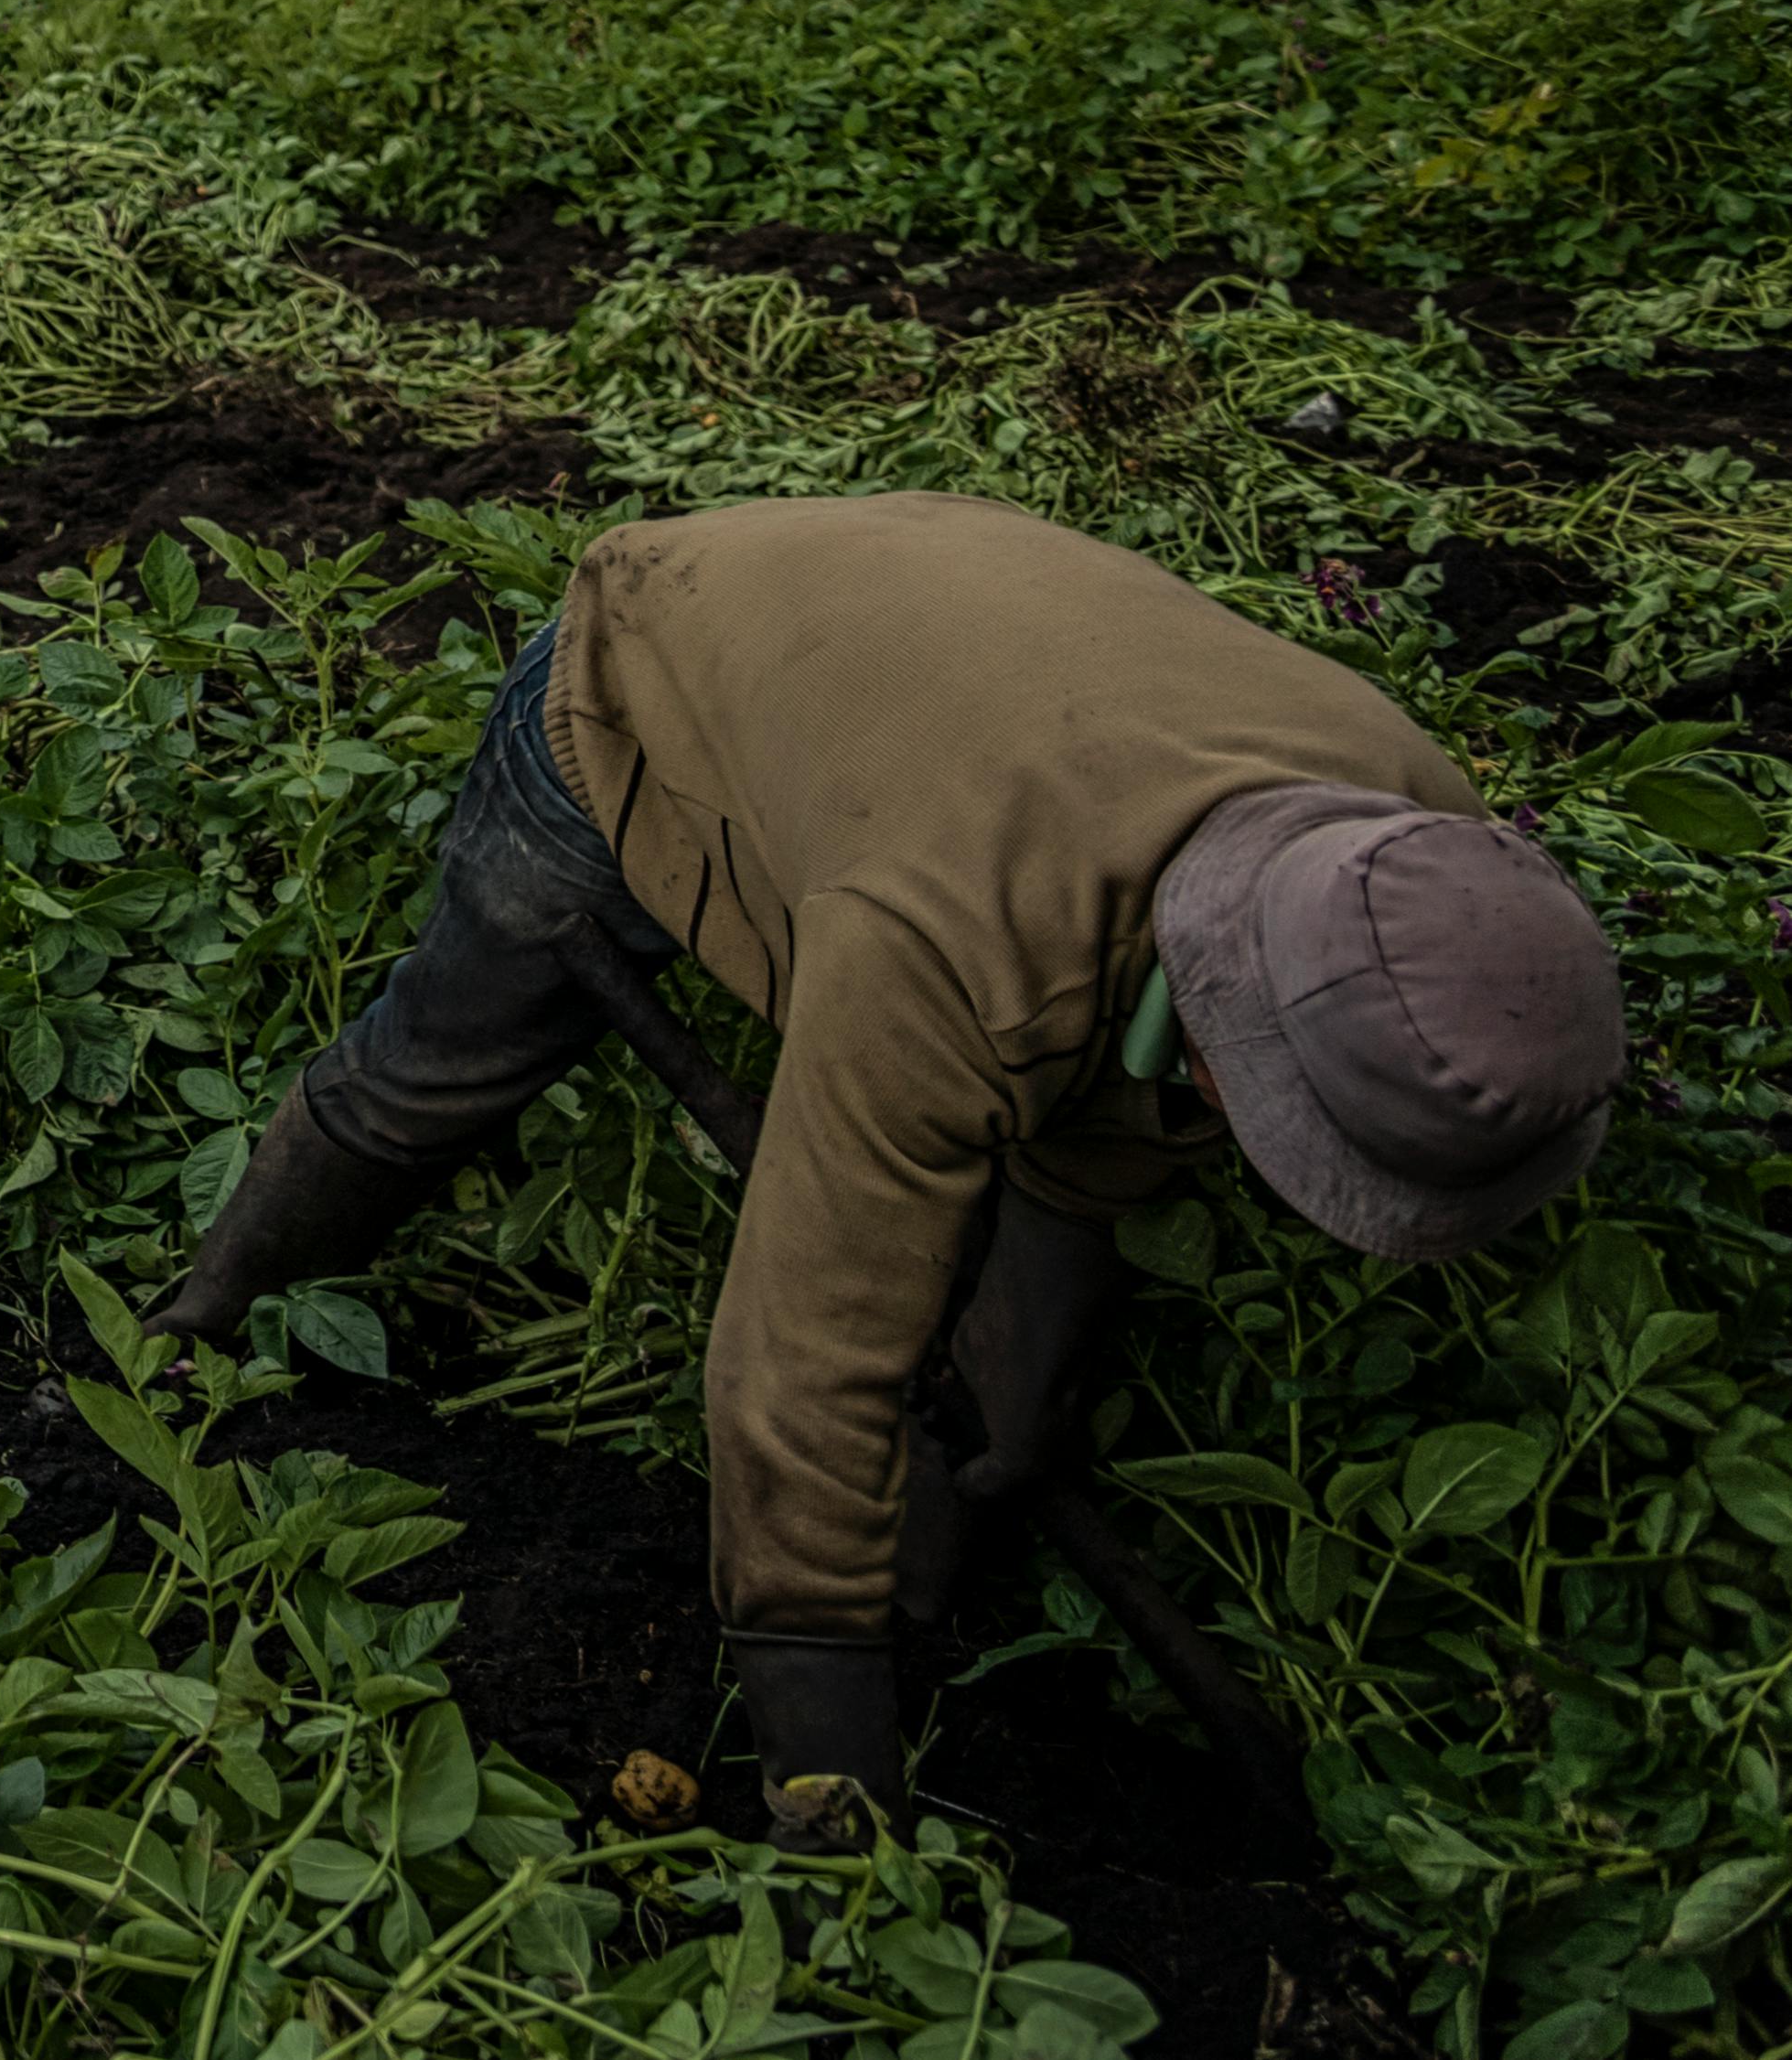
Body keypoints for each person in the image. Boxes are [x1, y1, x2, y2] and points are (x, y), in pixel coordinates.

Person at [149, 493, 1626, 1844]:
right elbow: (795, 1376)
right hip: (646, 666)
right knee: (438, 1067)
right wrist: (832, 1785)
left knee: (992, 1290)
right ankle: (194, 1325)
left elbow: (1111, 1117)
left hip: (941, 673)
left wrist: (1017, 1386)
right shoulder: (951, 945)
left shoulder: (1410, 841)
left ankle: (937, 1554)